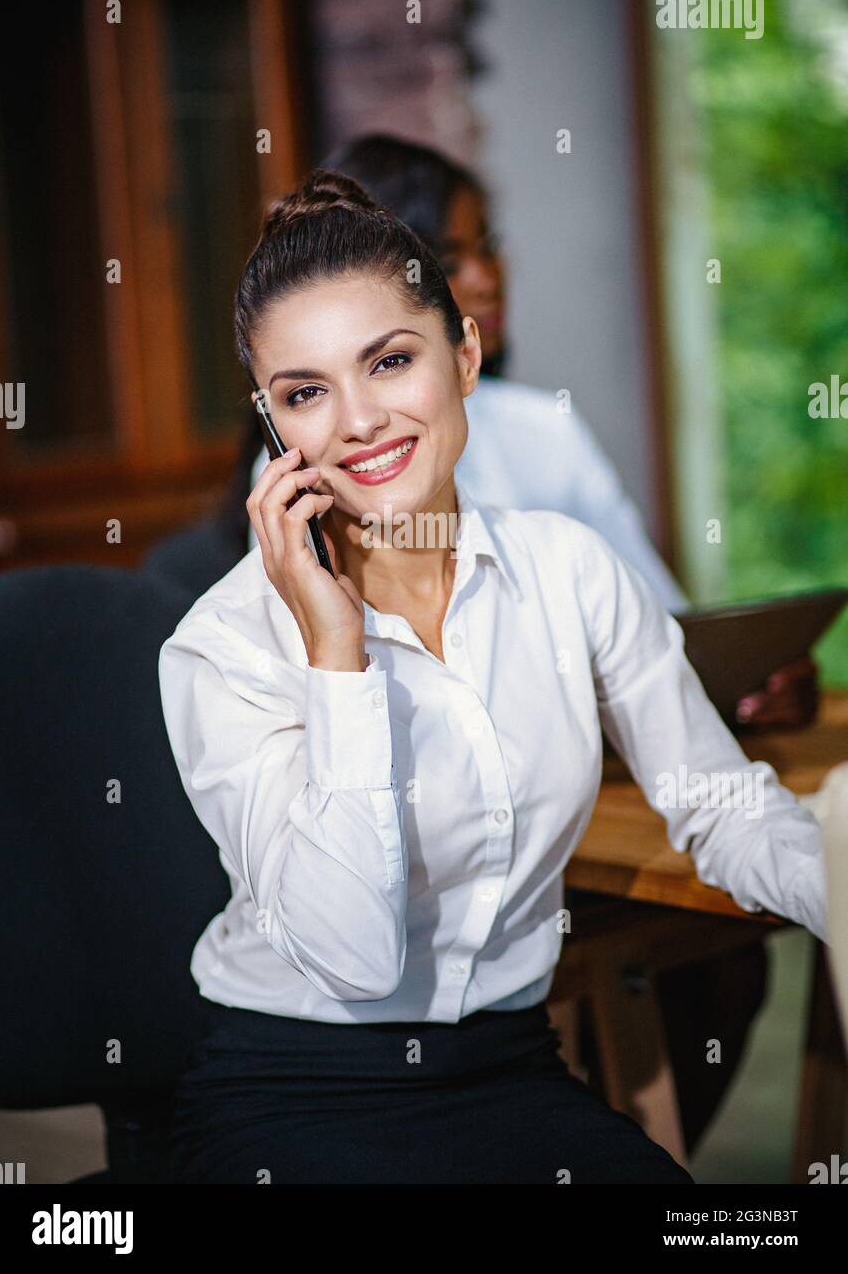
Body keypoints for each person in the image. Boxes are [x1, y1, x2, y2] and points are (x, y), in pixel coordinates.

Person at [157, 170, 828, 1184]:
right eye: (304, 392)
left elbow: (716, 803)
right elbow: (353, 958)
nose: (358, 422)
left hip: (510, 1068)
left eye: (389, 360)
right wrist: (337, 655)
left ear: (464, 355)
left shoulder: (568, 571)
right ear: (272, 429)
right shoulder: (224, 645)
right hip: (291, 1088)